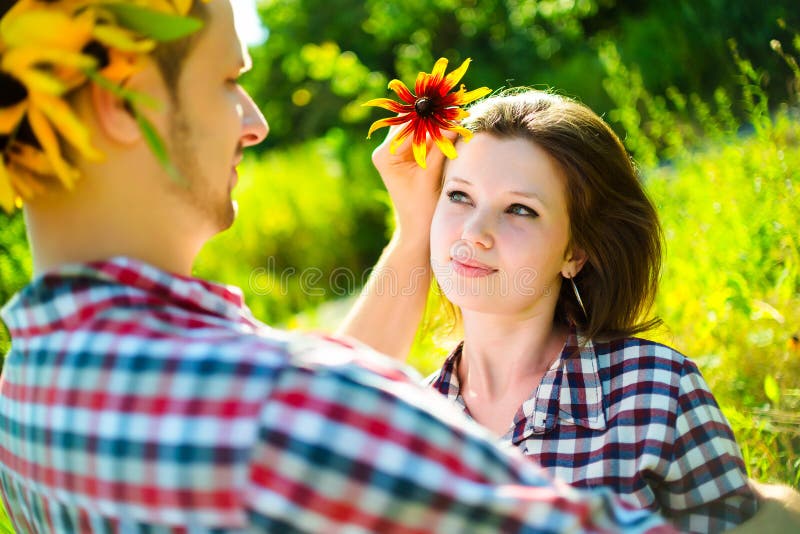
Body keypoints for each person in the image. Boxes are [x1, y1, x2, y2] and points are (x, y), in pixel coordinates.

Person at [0, 1, 679, 532]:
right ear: (120, 102)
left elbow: (317, 425)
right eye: (230, 80)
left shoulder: (26, 393)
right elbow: (311, 411)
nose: (256, 121)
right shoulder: (281, 408)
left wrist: (417, 230)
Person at [341, 89, 766, 532]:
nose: (475, 231)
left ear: (575, 253)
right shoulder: (408, 423)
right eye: (460, 196)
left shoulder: (655, 389)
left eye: (520, 209)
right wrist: (413, 228)